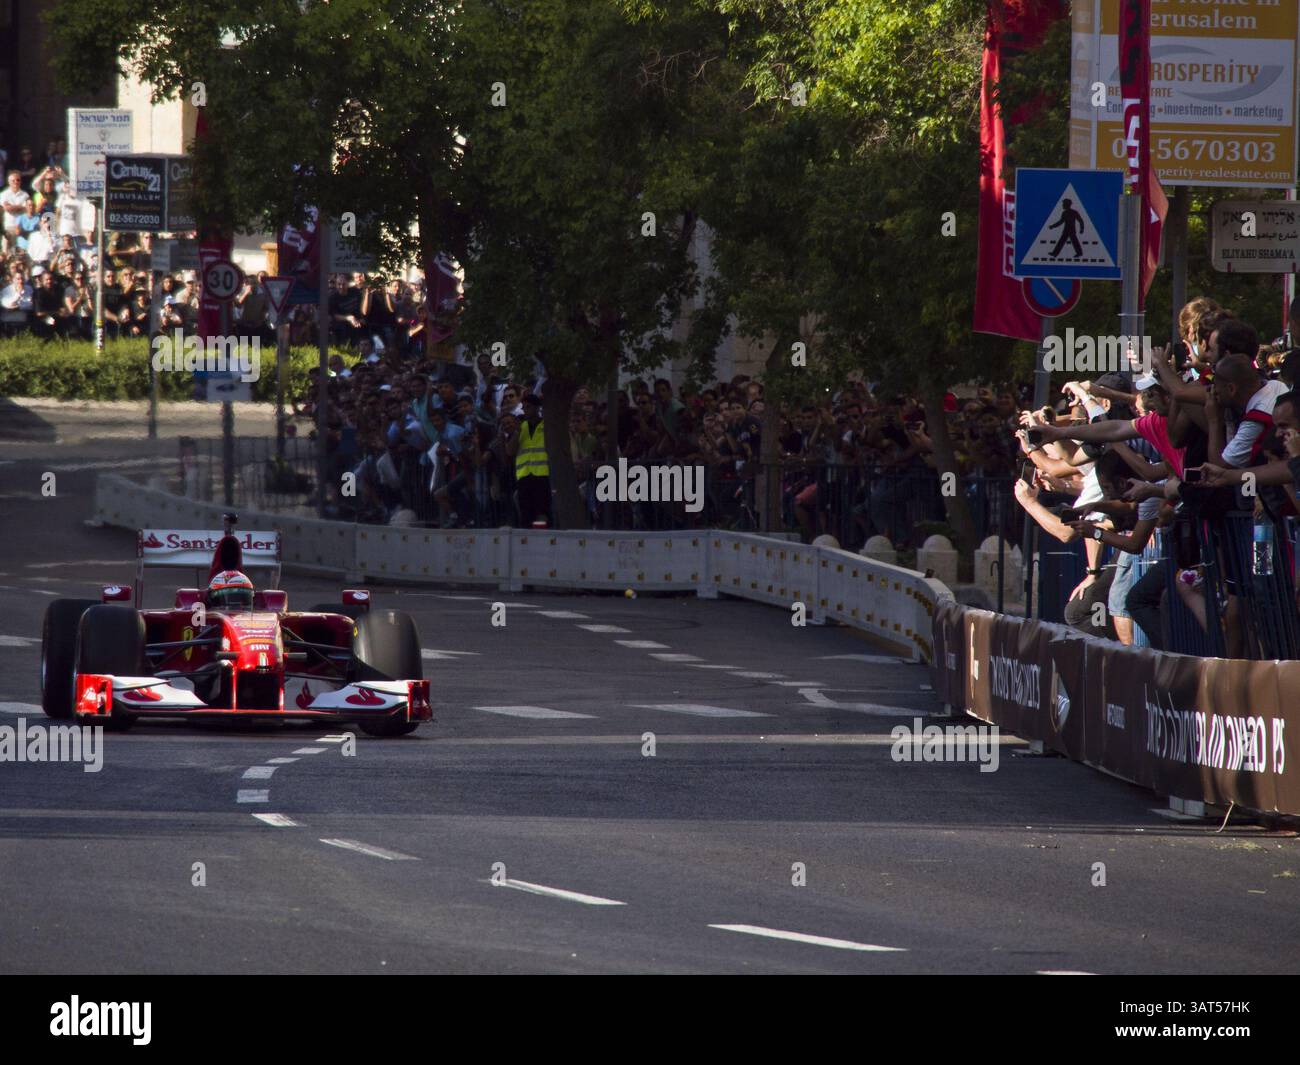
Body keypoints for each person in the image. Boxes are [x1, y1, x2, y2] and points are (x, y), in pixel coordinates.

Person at [511, 393, 550, 526]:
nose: (525, 410)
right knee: (526, 514)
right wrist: (516, 432)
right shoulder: (521, 427)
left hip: (542, 475)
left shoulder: (547, 426)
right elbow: (510, 451)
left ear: (537, 408)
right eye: (524, 407)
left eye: (528, 407)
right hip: (524, 476)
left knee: (542, 512)